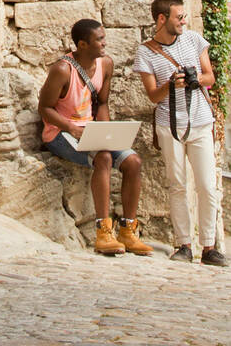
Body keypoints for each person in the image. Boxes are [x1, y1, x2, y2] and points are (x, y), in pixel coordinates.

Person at [37, 19, 151, 257]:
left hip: (91, 130)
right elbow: (44, 108)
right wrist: (70, 127)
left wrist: (106, 132)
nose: (104, 43)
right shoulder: (62, 70)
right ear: (82, 44)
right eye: (99, 39)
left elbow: (103, 102)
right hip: (61, 133)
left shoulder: (106, 64)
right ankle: (103, 232)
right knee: (104, 158)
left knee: (133, 162)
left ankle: (128, 231)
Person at [133, 0, 225, 265]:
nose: (184, 21)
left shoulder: (194, 40)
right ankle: (182, 243)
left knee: (207, 186)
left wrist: (196, 80)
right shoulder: (146, 52)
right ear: (162, 19)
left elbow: (210, 76)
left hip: (199, 121)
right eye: (179, 17)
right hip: (170, 125)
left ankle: (209, 246)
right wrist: (171, 85)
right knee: (178, 185)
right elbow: (152, 95)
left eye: (184, 16)